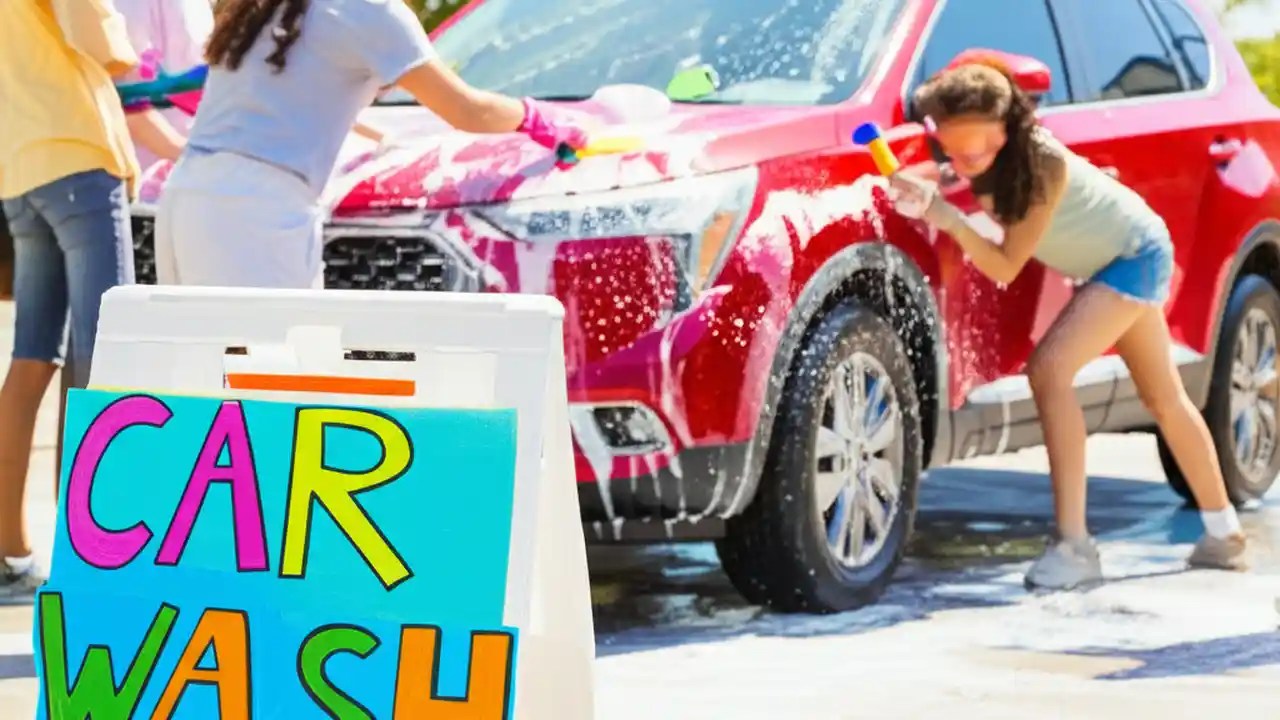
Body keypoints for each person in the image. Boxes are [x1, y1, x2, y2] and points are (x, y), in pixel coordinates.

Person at [889, 61, 1248, 590]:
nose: (964, 162)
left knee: (1050, 370)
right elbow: (951, 177)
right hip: (1110, 259)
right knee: (1163, 397)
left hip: (1134, 255)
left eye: (977, 151)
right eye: (954, 151)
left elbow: (1005, 266)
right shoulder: (967, 154)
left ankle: (1074, 546)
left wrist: (946, 218)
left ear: (1006, 128)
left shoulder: (1042, 164)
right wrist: (923, 185)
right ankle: (1225, 534)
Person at [155, 0, 589, 289]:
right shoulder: (372, 10)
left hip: (187, 196)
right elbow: (466, 110)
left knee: (201, 378)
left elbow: (301, 92)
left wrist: (381, 136)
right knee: (270, 379)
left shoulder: (270, 6)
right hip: (255, 211)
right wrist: (535, 116)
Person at [0, 0, 140, 596]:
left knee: (32, 359)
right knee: (102, 358)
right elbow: (106, 47)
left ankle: (8, 555)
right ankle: (90, 562)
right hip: (77, 156)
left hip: (18, 166)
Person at [114, 0, 216, 170]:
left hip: (197, 162)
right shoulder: (129, 6)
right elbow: (126, 101)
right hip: (152, 173)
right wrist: (194, 158)